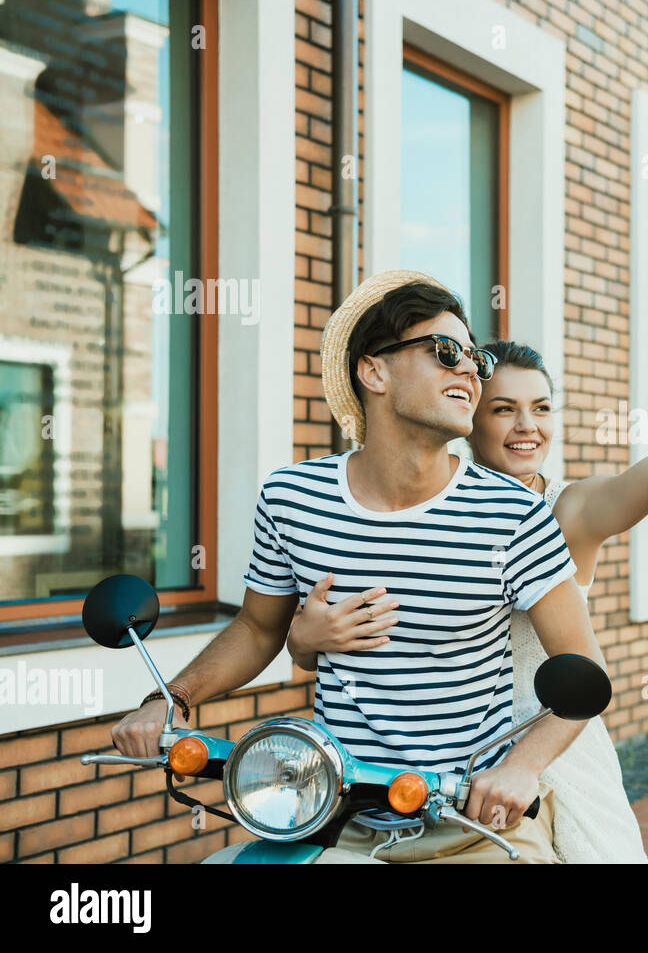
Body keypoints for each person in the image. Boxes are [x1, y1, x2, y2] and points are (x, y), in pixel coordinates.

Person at [289, 279, 648, 862]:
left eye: (541, 409)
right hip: (442, 763)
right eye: (504, 409)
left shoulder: (568, 510)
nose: (527, 427)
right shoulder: (427, 504)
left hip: (550, 741)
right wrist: (302, 641)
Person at [112, 270, 606, 863]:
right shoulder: (292, 497)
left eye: (474, 359)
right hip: (329, 813)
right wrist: (169, 699)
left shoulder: (514, 513)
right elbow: (256, 628)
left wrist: (522, 767)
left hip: (473, 821)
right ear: (373, 371)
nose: (470, 371)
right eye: (446, 352)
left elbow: (585, 669)